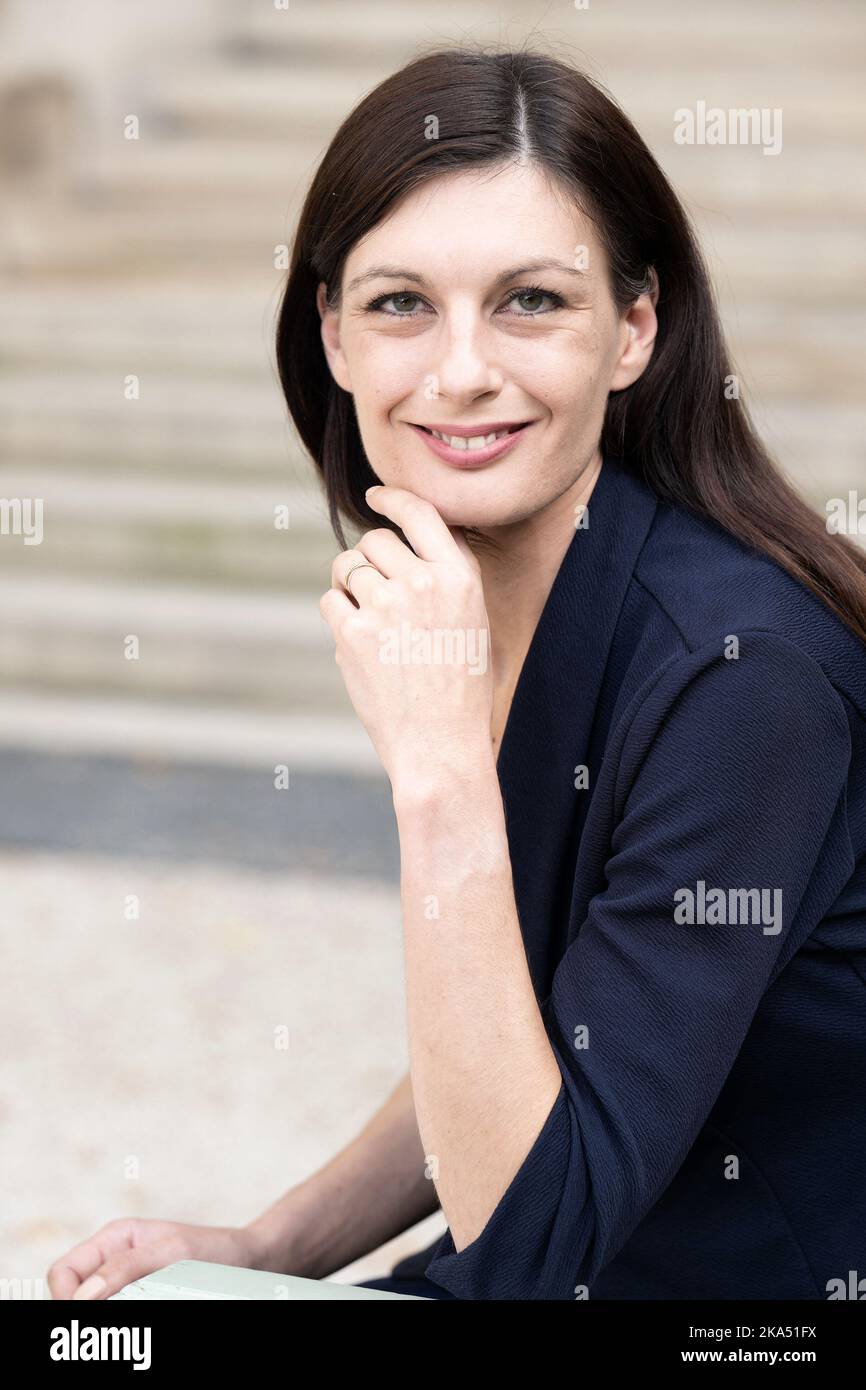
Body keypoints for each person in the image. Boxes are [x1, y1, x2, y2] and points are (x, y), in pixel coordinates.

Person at [50, 47, 866, 1303]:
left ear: (633, 329)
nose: (461, 370)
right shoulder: (503, 593)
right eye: (399, 304)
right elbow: (528, 1020)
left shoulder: (741, 678)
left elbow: (533, 1251)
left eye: (530, 301)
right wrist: (272, 1245)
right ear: (329, 333)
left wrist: (438, 780)